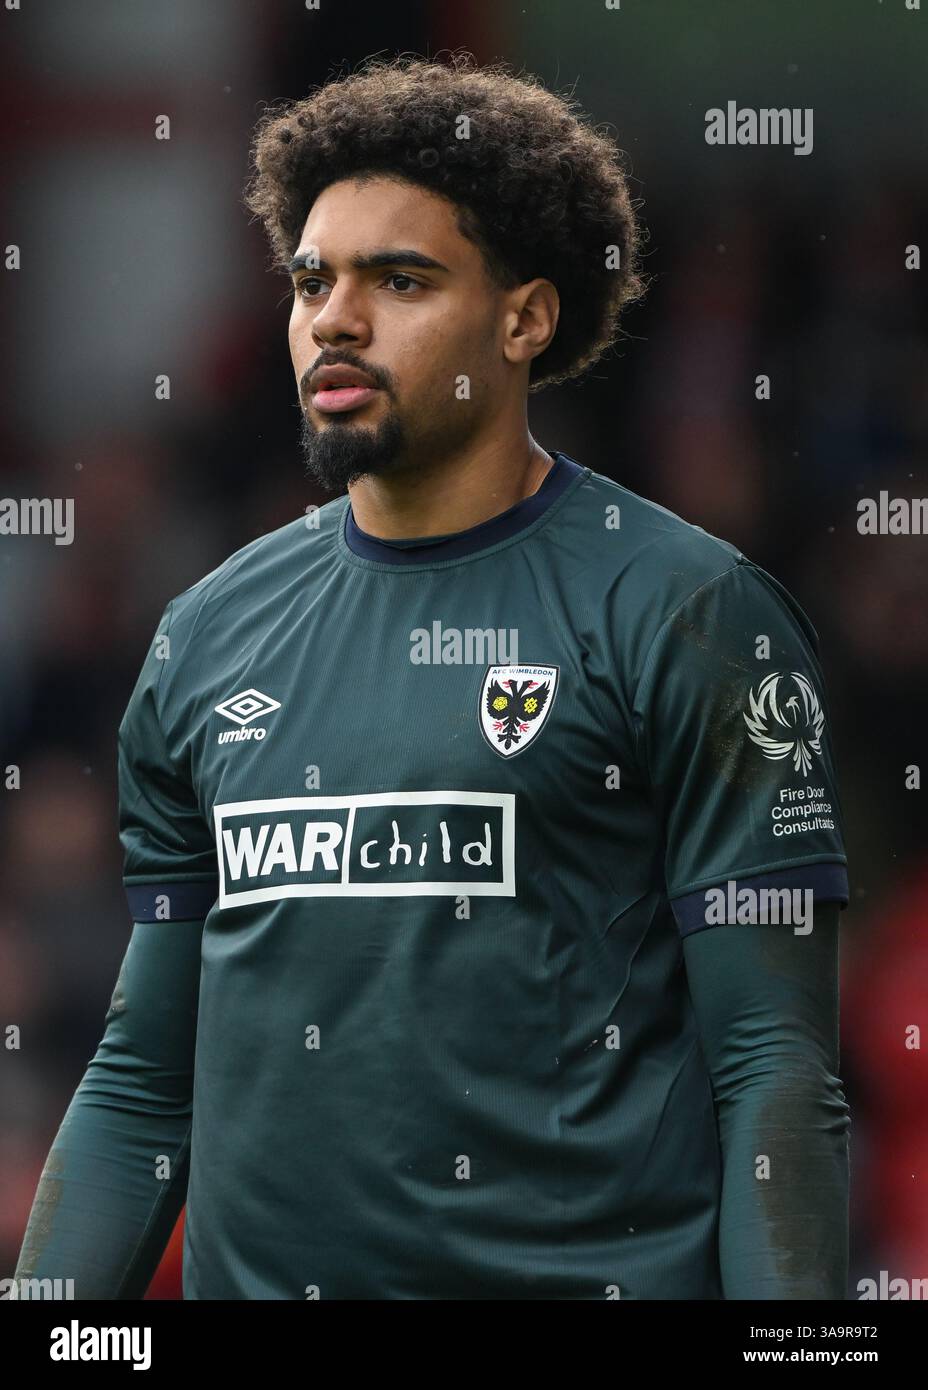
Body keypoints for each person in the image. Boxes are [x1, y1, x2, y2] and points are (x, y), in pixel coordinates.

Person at [13, 52, 850, 1300]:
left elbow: (772, 1066)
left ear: (523, 318)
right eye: (311, 280)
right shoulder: (205, 635)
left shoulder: (688, 612)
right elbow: (143, 1078)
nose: (334, 319)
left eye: (397, 280)